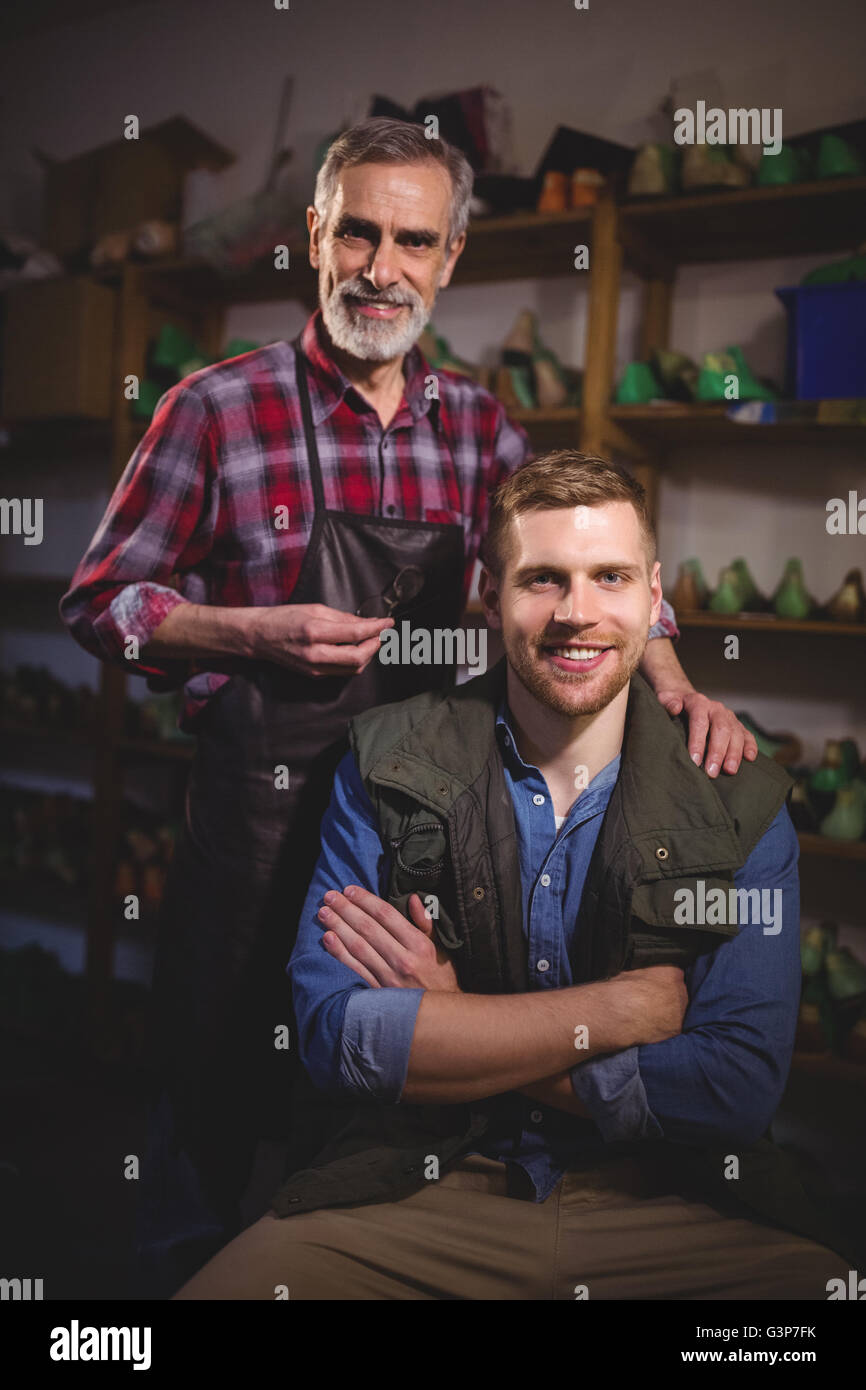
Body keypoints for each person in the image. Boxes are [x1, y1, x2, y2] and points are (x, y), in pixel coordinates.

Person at [60, 119, 755, 1295]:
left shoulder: (479, 427)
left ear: (449, 260)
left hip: (414, 822)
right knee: (213, 1107)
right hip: (257, 819)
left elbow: (575, 559)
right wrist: (244, 628)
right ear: (317, 240)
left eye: (414, 242)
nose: (383, 267)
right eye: (361, 233)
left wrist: (674, 678)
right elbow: (97, 605)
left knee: (377, 1114)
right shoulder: (215, 408)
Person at [175, 451, 850, 1302]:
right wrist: (617, 1012)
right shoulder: (387, 762)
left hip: (673, 1204)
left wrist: (453, 1023)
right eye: (542, 581)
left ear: (654, 596)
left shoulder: (737, 794)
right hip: (421, 1188)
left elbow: (732, 1089)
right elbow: (340, 1037)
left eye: (609, 577)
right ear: (489, 596)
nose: (578, 614)